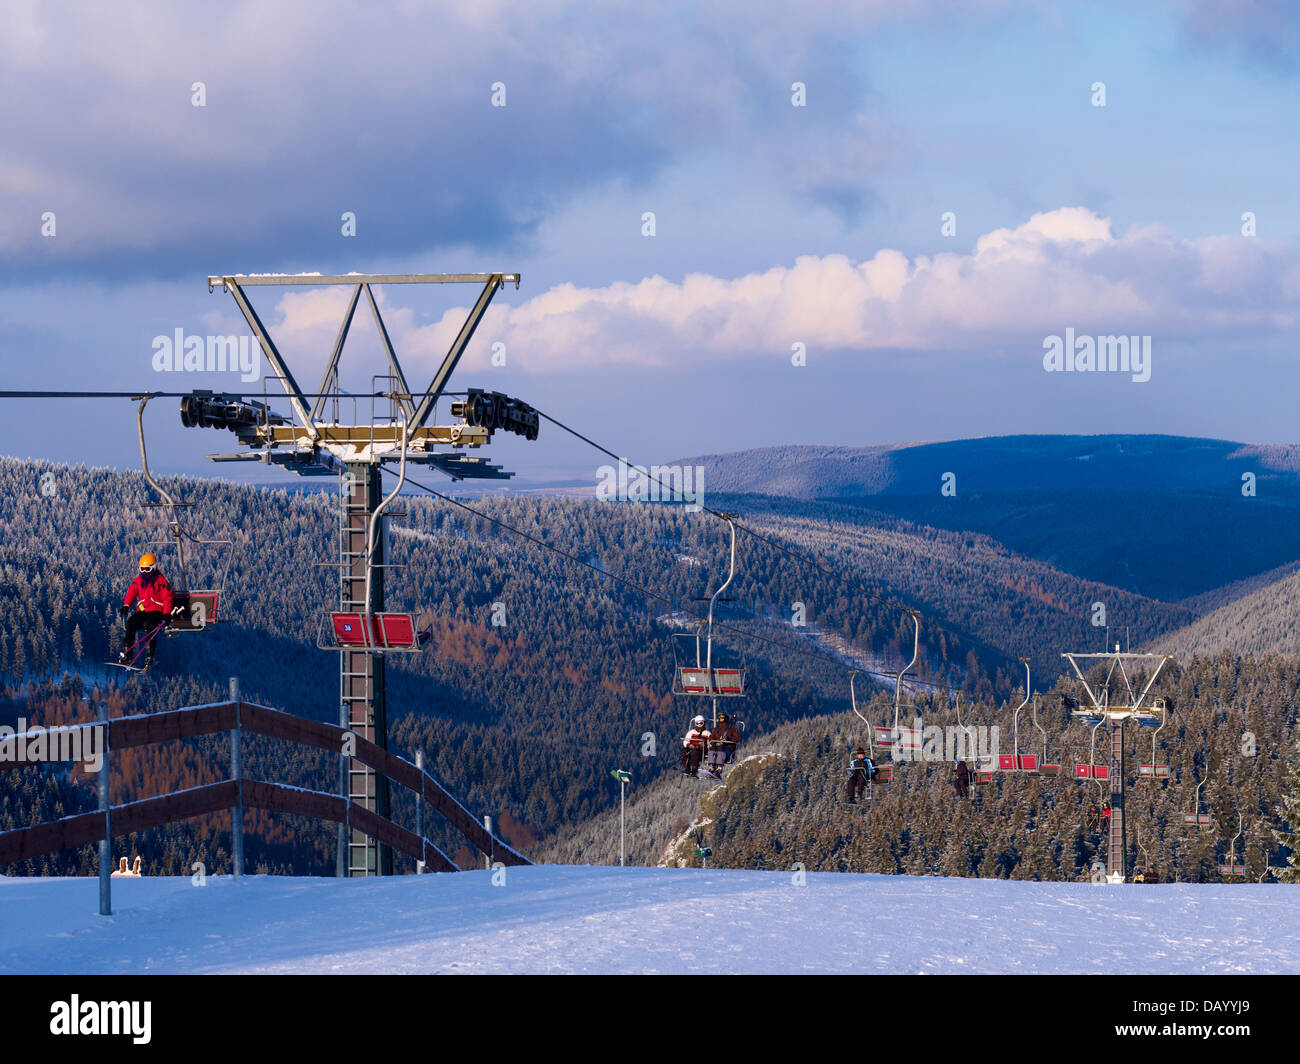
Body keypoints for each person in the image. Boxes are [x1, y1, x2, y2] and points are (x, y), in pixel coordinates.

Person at [118, 553, 179, 668]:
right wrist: (126, 605)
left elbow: (167, 598)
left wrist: (166, 614)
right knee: (131, 622)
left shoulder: (161, 581)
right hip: (143, 610)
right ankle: (127, 654)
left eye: (147, 569)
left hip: (156, 611)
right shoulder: (138, 581)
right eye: (142, 569)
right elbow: (132, 592)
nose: (145, 572)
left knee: (150, 625)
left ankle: (150, 656)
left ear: (154, 567)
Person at [704, 713, 741, 777]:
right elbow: (711, 737)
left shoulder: (732, 729)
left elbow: (738, 738)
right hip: (717, 746)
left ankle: (719, 768)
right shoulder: (717, 729)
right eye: (720, 718)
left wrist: (729, 738)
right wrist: (714, 742)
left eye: (722, 718)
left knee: (720, 748)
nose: (721, 719)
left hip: (727, 749)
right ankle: (712, 766)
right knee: (712, 748)